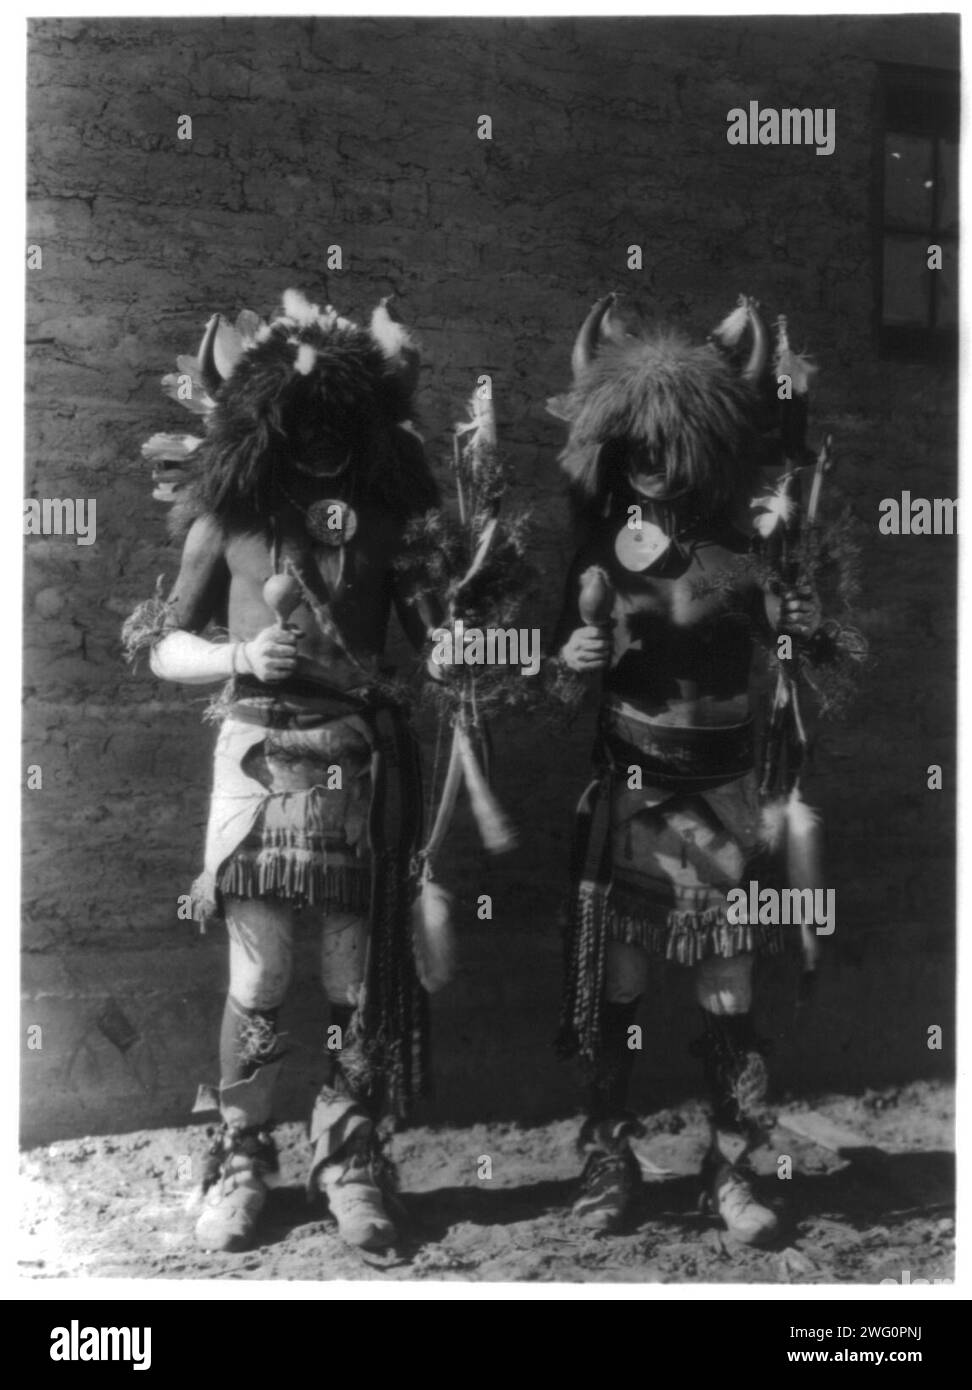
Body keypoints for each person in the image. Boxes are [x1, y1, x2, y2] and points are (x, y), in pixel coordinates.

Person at [124, 291, 442, 1254]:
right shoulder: (229, 514)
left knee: (353, 975)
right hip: (258, 760)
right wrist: (234, 659)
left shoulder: (389, 517)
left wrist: (468, 644)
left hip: (355, 759)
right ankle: (241, 1154)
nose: (316, 431)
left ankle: (346, 1156)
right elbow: (158, 646)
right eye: (297, 412)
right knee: (260, 972)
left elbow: (437, 644)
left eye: (335, 412)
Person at [549, 293, 819, 1243]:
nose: (658, 461)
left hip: (727, 796)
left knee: (728, 988)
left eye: (677, 441)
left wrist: (805, 607)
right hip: (633, 793)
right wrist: (574, 663)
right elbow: (556, 677)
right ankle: (606, 1157)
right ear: (621, 444)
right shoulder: (602, 556)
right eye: (643, 442)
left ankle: (733, 1166)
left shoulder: (745, 553)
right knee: (618, 984)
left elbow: (813, 651)